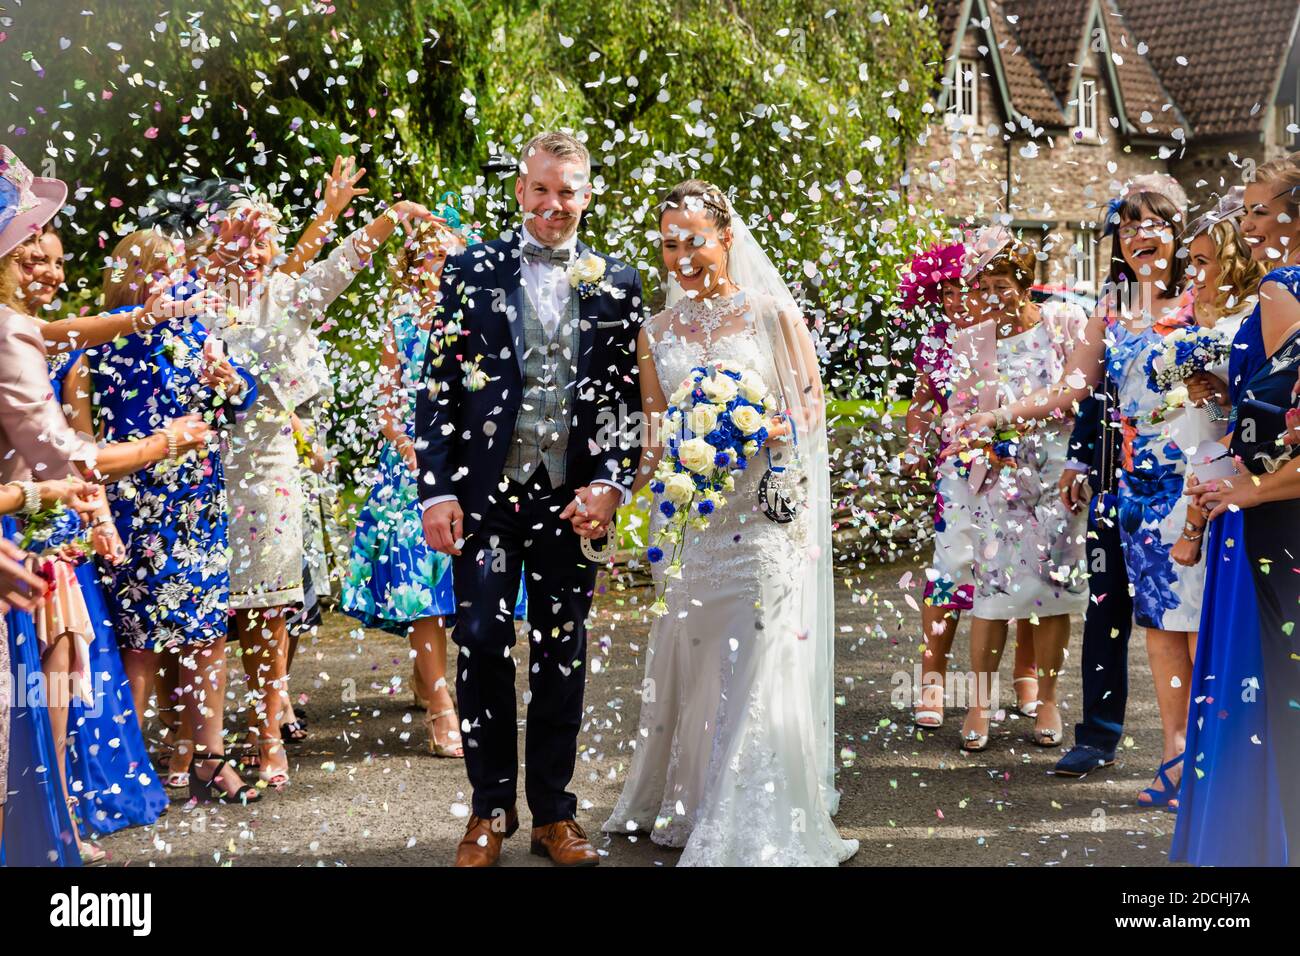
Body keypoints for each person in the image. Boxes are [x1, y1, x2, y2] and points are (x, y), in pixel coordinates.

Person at [600, 178, 857, 866]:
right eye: (668, 243)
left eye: (695, 240)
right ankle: (700, 799)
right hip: (693, 522)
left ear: (727, 239)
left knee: (760, 655)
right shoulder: (654, 332)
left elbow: (810, 408)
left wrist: (766, 429)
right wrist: (619, 498)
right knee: (701, 658)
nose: (681, 255)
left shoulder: (771, 315)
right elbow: (654, 434)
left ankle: (754, 810)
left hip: (762, 518)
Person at [417, 131, 643, 867]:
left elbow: (621, 398)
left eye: (568, 191)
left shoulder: (618, 282)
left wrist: (609, 484)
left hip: (569, 497)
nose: (554, 205)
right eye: (541, 190)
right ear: (521, 191)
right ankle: (488, 811)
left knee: (562, 650)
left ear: (588, 194)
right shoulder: (470, 269)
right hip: (486, 495)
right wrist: (438, 491)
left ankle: (553, 813)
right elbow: (440, 386)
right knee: (481, 639)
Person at [952, 174, 1205, 807]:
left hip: (1193, 486)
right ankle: (1133, 742)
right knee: (1123, 616)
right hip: (1121, 486)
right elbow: (1074, 389)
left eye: (1153, 222)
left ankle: (1201, 751)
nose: (1139, 235)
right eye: (1127, 225)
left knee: (1189, 622)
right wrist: (1002, 414)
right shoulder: (1112, 306)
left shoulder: (1204, 299)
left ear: (1177, 230)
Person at [216, 172, 439, 788]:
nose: (251, 249)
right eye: (237, 235)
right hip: (199, 475)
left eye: (263, 239)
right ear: (211, 243)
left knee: (267, 613)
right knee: (202, 622)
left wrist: (392, 216)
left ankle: (267, 734)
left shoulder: (285, 299)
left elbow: (339, 264)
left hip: (268, 477)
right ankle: (196, 748)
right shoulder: (189, 304)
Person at [92, 216, 264, 808]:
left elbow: (239, 401)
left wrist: (229, 382)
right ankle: (125, 766)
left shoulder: (197, 335)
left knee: (207, 635)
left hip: (197, 505)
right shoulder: (107, 345)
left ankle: (210, 762)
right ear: (126, 282)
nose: (169, 284)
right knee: (138, 640)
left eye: (174, 272)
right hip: (137, 506)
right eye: (154, 274)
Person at [341, 211, 524, 757]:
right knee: (416, 564)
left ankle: (434, 673)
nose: (437, 264)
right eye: (427, 254)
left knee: (470, 574)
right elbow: (388, 407)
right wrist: (420, 460)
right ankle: (443, 705)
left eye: (447, 254)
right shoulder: (398, 321)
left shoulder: (485, 314)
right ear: (411, 264)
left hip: (475, 467)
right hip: (412, 466)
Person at [1182, 154, 1300, 862]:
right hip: (1266, 510)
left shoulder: (1284, 290)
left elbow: (1289, 416)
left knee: (1279, 683)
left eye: (1259, 210)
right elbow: (1271, 406)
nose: (1246, 224)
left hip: (1277, 519)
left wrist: (1249, 487)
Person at [952, 229, 1088, 751]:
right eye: (984, 284)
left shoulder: (1062, 326)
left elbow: (1086, 390)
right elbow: (958, 416)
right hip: (997, 482)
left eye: (1002, 282)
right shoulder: (969, 342)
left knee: (1054, 594)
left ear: (1023, 283)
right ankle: (979, 704)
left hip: (1058, 478)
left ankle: (1047, 699)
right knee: (991, 596)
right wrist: (976, 441)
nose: (992, 294)